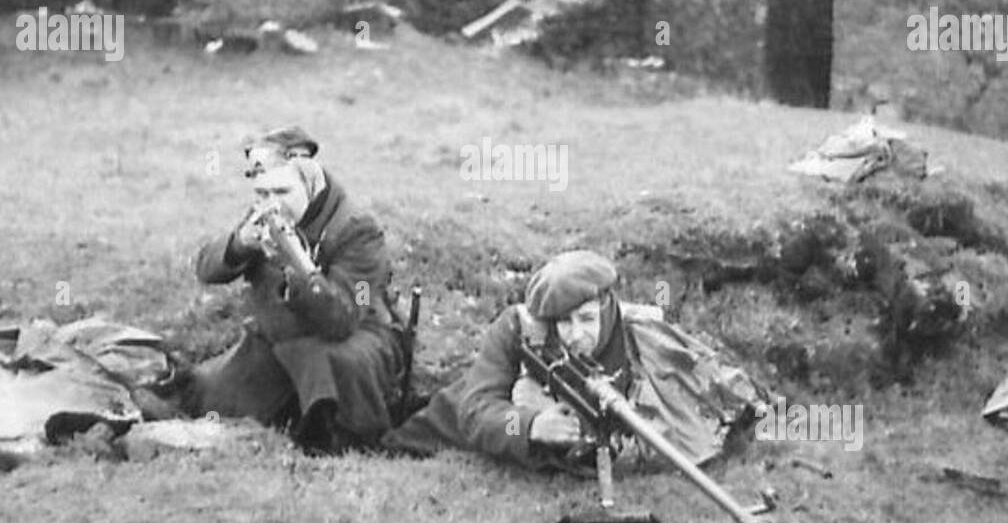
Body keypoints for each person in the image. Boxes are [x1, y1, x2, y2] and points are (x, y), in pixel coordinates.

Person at [384, 249, 767, 468]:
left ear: (608, 306)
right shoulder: (517, 328)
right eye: (562, 322)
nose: (575, 333)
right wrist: (530, 426)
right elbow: (475, 413)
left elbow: (709, 377)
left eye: (585, 318)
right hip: (438, 431)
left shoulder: (641, 333)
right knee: (387, 445)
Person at [181, 125, 402, 452]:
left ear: (311, 184)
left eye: (282, 193)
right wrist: (240, 244)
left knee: (335, 377)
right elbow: (206, 268)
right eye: (262, 194)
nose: (271, 204)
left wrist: (295, 266)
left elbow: (342, 319)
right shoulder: (266, 210)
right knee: (205, 396)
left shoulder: (357, 230)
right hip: (280, 336)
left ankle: (341, 441)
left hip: (355, 333)